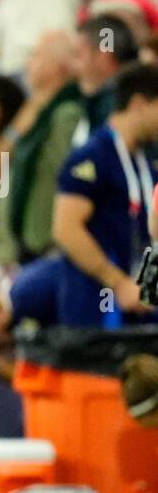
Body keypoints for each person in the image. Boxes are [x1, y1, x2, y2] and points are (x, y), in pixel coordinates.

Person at [52, 62, 158, 327]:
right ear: (139, 104)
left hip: (135, 313)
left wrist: (144, 288)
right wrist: (118, 283)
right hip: (94, 311)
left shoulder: (144, 163)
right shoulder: (92, 156)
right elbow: (65, 229)